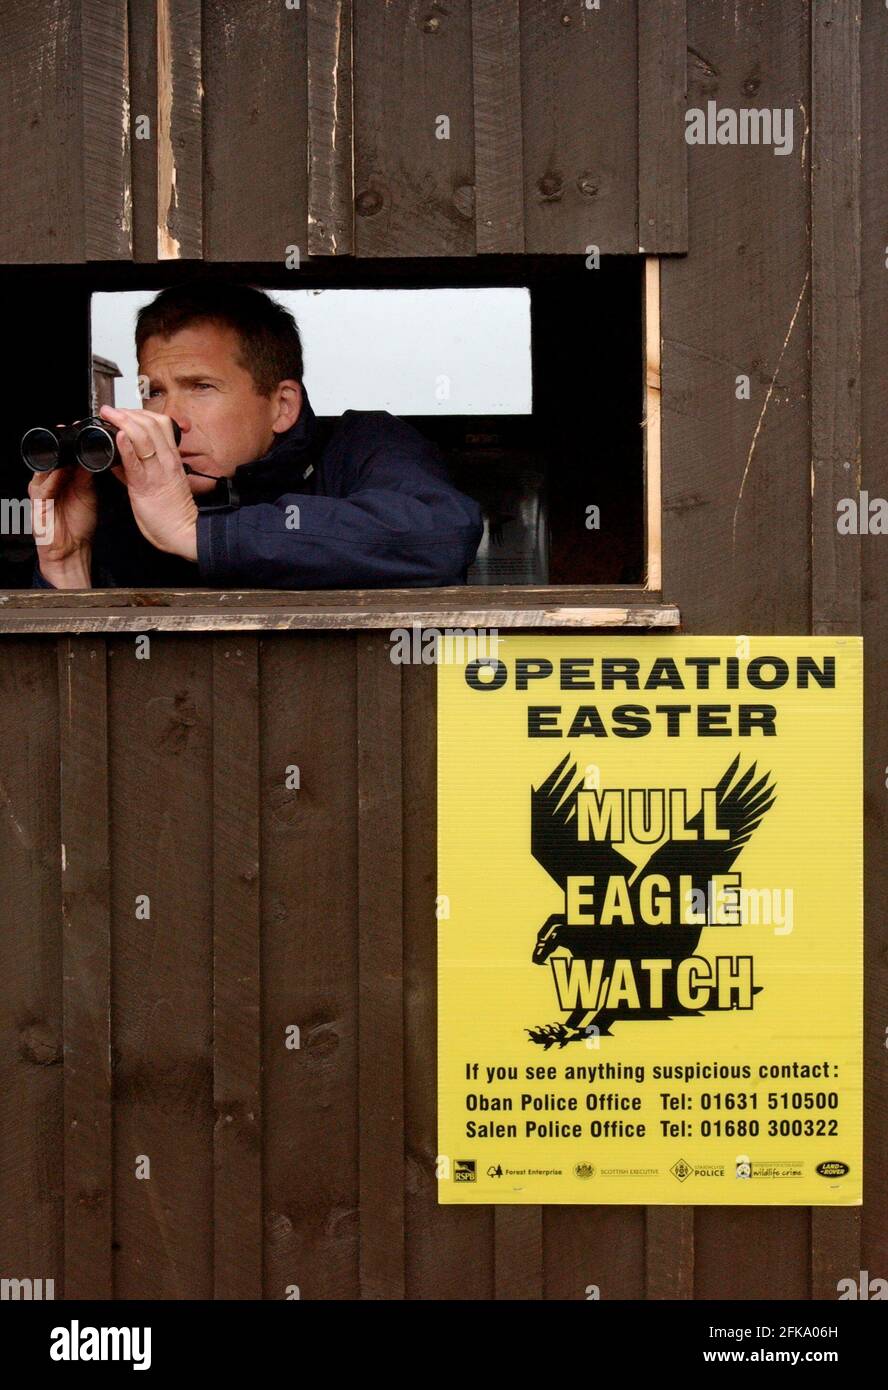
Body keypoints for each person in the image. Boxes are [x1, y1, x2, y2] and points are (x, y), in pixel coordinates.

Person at [30, 282, 484, 590]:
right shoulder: (122, 495)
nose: (171, 419)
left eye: (201, 387)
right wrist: (67, 563)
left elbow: (441, 534)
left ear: (282, 406)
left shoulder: (360, 444)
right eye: (154, 392)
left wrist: (196, 535)